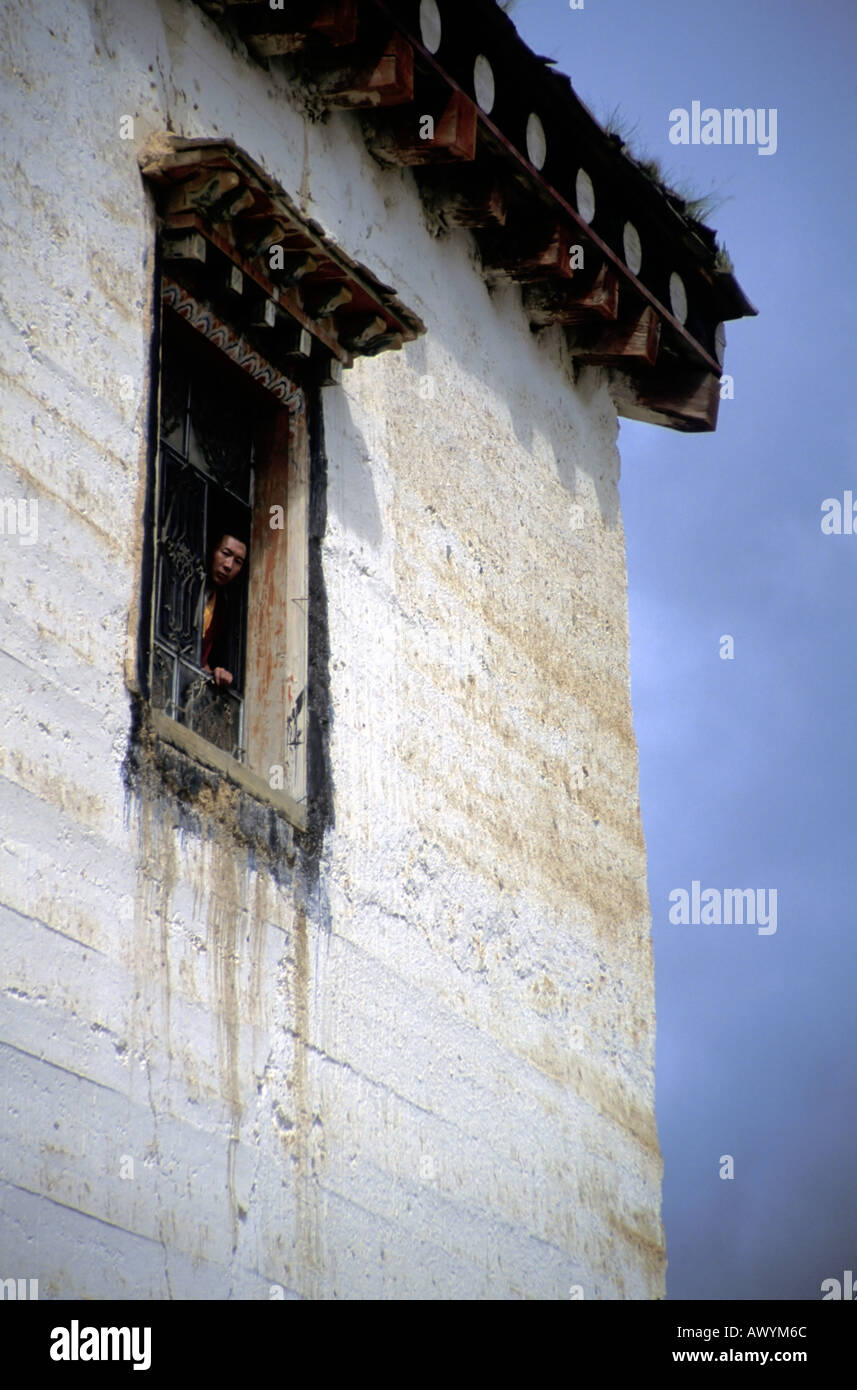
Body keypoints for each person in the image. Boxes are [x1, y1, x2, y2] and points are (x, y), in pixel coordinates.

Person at [201, 530, 247, 688]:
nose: (229, 565)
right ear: (212, 550)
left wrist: (216, 673)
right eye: (225, 553)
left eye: (238, 562)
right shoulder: (185, 586)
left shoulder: (221, 607)